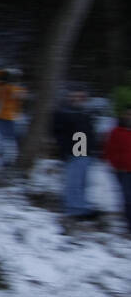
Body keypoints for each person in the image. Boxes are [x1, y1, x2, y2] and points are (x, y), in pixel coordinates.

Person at [52, 88, 98, 219]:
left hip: (86, 151)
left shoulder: (85, 113)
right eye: (74, 96)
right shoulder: (64, 113)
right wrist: (65, 150)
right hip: (75, 150)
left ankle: (81, 207)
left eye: (81, 96)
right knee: (74, 181)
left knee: (82, 182)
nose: (78, 99)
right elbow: (59, 134)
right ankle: (75, 209)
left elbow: (89, 132)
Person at [0, 68, 27, 166]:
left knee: (6, 140)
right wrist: (4, 72)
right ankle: (5, 162)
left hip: (4, 118)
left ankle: (3, 159)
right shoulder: (10, 88)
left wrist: (1, 72)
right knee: (8, 140)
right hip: (6, 119)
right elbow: (19, 95)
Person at [103, 106, 131, 234]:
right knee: (127, 197)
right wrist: (115, 164)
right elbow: (109, 150)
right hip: (123, 170)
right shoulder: (116, 131)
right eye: (128, 114)